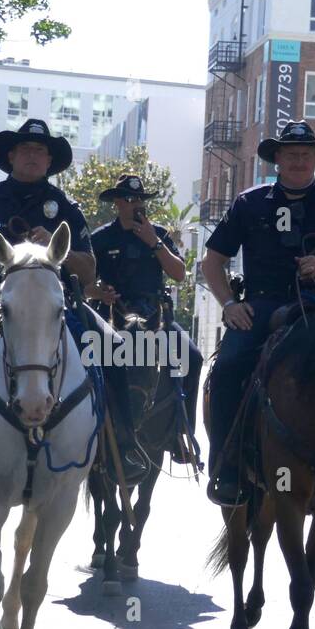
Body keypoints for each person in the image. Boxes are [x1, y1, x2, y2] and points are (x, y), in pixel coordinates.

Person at [0, 118, 150, 489]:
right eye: (26, 150)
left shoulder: (64, 207)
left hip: (61, 305)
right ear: (11, 156)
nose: (33, 157)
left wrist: (58, 246)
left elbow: (88, 270)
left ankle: (124, 446)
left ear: (50, 161)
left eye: (41, 151)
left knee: (115, 352)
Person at [201, 119, 315, 506]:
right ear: (277, 158)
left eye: (306, 154)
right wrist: (229, 305)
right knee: (228, 366)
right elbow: (212, 262)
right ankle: (226, 468)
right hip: (259, 306)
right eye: (290, 154)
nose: (298, 160)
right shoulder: (249, 203)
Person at [87, 174, 203, 464]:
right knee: (84, 359)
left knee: (193, 357)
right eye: (128, 199)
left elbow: (178, 273)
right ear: (117, 203)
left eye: (139, 199)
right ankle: (84, 428)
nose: (135, 204)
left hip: (155, 320)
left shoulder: (159, 234)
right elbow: (84, 282)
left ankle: (181, 432)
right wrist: (98, 292)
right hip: (114, 320)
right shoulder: (101, 238)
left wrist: (154, 242)